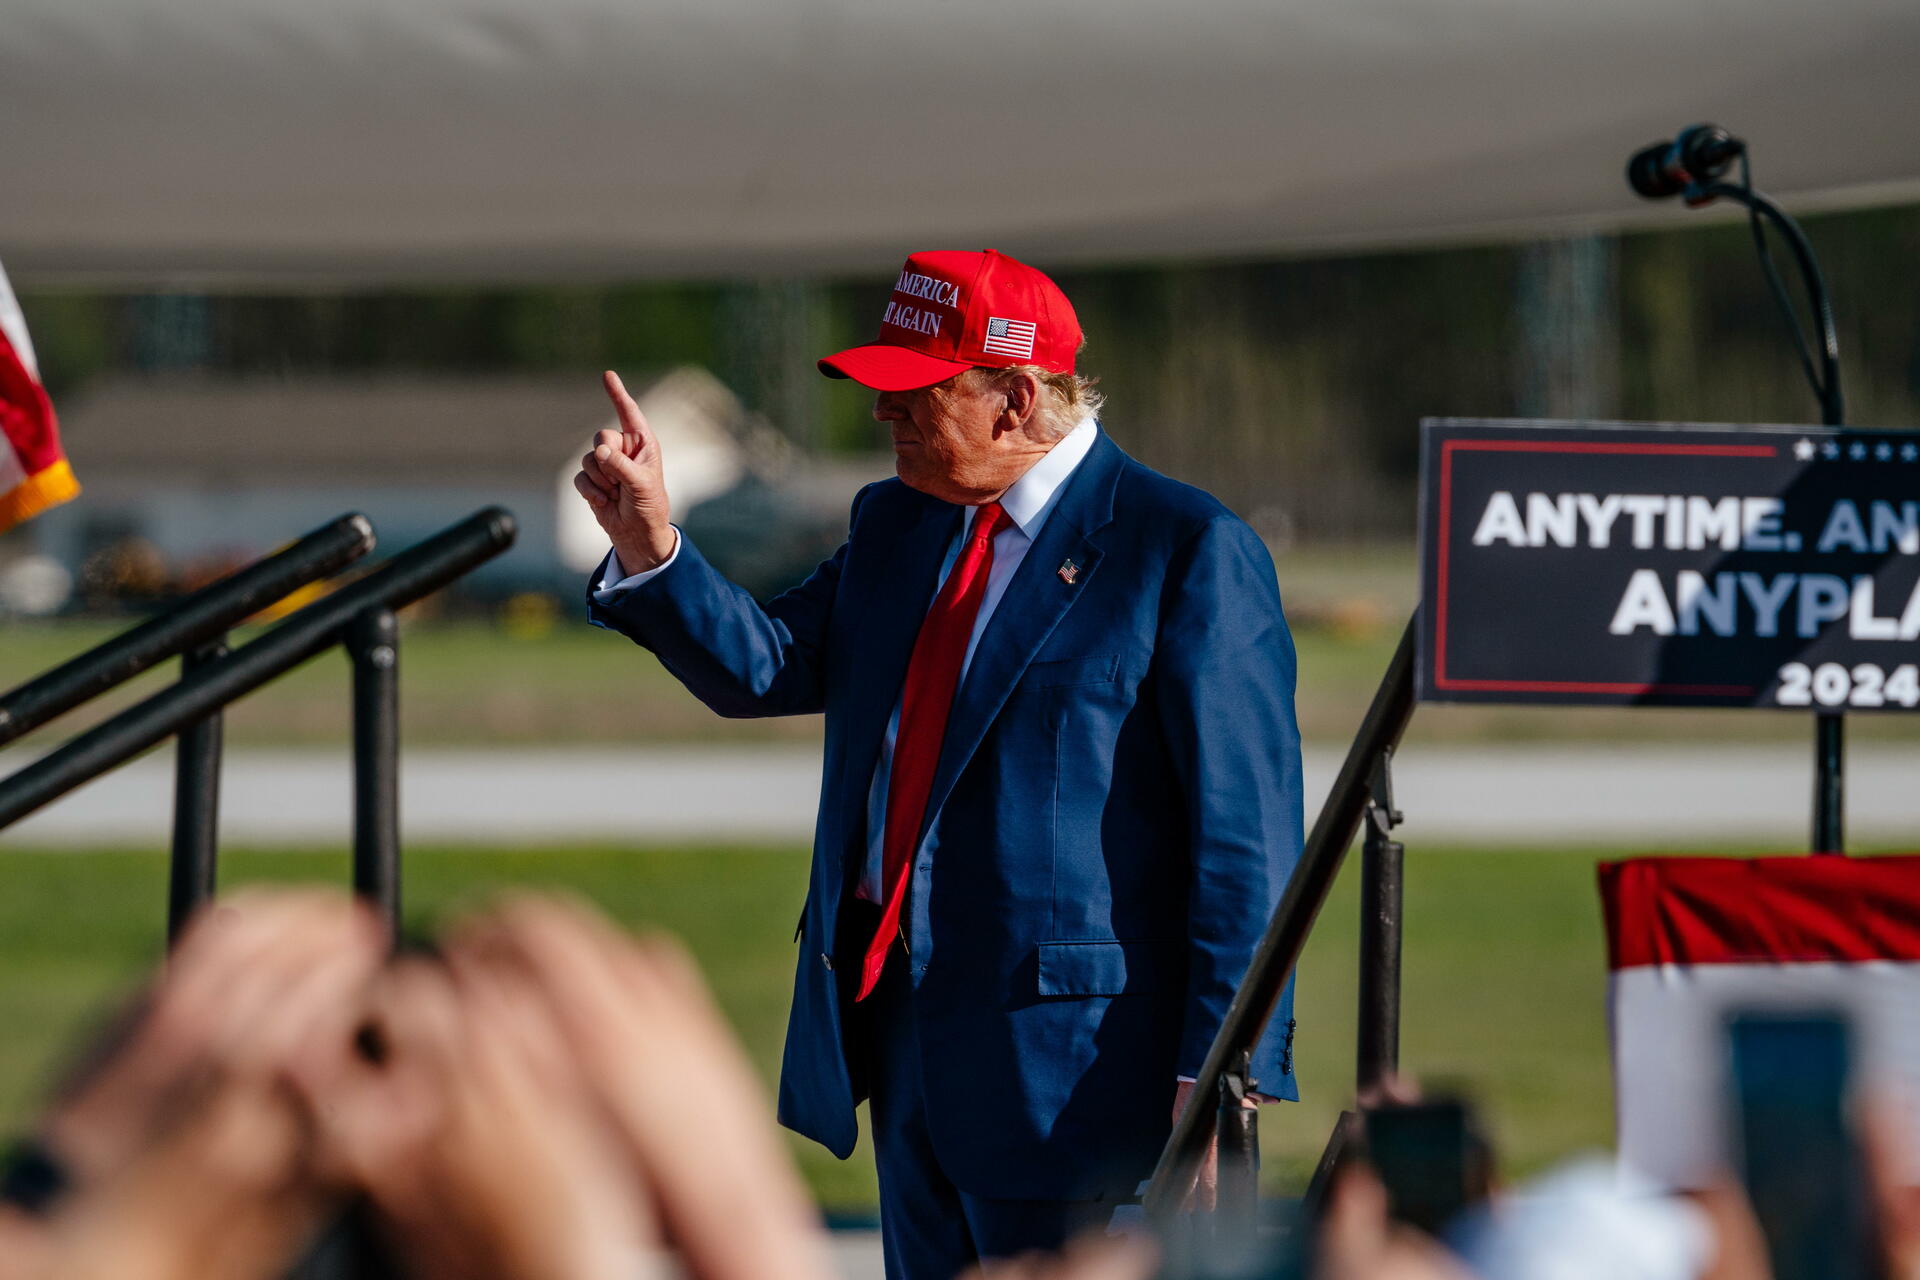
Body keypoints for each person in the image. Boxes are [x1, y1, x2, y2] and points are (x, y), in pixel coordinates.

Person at [576, 248, 1304, 1279]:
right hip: (906, 1051)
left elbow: (1246, 845)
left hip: (1081, 1085)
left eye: (914, 391)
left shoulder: (1179, 547)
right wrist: (651, 542)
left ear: (1014, 400)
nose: (884, 416)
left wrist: (1224, 1078)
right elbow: (766, 665)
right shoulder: (901, 523)